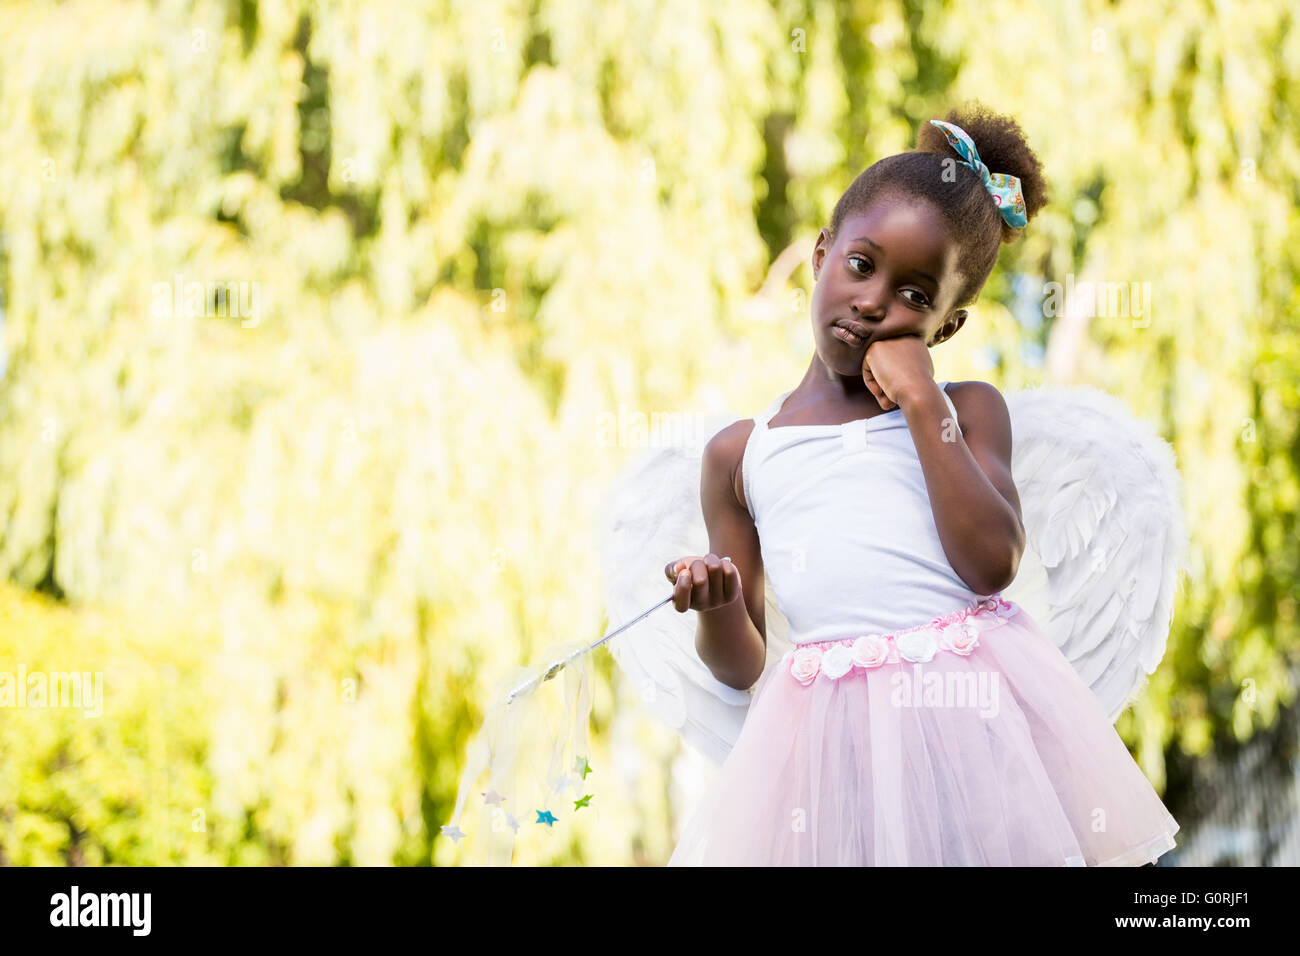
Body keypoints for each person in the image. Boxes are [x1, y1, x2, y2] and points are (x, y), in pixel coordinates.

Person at [661, 103, 1180, 866]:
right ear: (820, 253)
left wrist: (922, 400)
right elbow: (741, 667)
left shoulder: (966, 412)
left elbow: (989, 561)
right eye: (862, 266)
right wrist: (719, 603)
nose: (874, 303)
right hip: (827, 746)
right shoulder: (740, 455)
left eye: (914, 295)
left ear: (946, 328)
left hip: (969, 718)